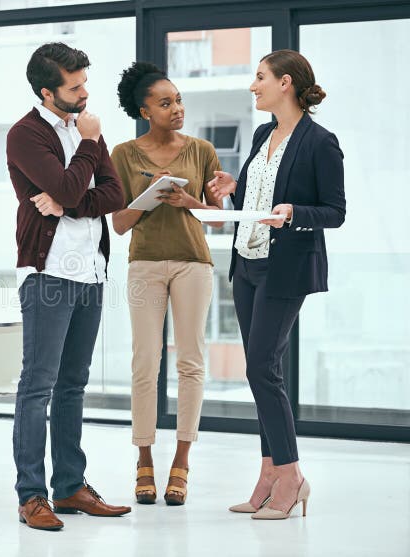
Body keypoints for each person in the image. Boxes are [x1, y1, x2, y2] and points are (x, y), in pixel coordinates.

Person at [207, 49, 345, 520]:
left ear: (285, 82)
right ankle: (268, 474)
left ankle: (291, 477)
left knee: (261, 369)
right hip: (246, 263)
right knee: (264, 371)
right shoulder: (265, 134)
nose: (253, 85)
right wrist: (233, 186)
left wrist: (294, 213)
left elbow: (335, 211)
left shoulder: (320, 142)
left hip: (286, 268)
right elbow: (257, 198)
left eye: (260, 77)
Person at [6, 42, 130, 531]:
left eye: (84, 84)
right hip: (48, 273)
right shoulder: (26, 135)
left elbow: (113, 196)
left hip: (91, 274)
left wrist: (67, 201)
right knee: (38, 387)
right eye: (74, 87)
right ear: (47, 91)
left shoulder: (83, 127)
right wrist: (88, 149)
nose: (84, 94)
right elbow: (69, 187)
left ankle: (71, 487)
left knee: (74, 386)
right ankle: (32, 496)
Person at [110, 62, 225, 506]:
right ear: (145, 110)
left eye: (178, 100)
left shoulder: (201, 150)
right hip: (144, 264)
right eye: (165, 103)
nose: (177, 108)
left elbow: (215, 219)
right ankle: (144, 460)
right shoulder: (123, 154)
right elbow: (119, 224)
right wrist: (150, 198)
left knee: (191, 361)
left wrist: (190, 199)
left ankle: (182, 461)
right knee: (145, 361)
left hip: (193, 263)